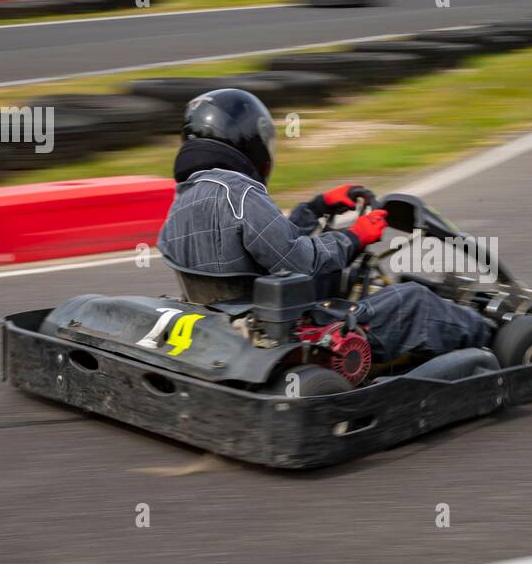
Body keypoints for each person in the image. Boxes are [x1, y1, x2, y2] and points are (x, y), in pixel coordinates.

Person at [157, 88, 491, 361]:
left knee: (334, 273)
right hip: (280, 330)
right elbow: (301, 261)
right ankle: (494, 337)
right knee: (414, 299)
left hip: (227, 318)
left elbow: (266, 242)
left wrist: (316, 207)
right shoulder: (240, 193)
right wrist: (355, 237)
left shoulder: (185, 196)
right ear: (247, 140)